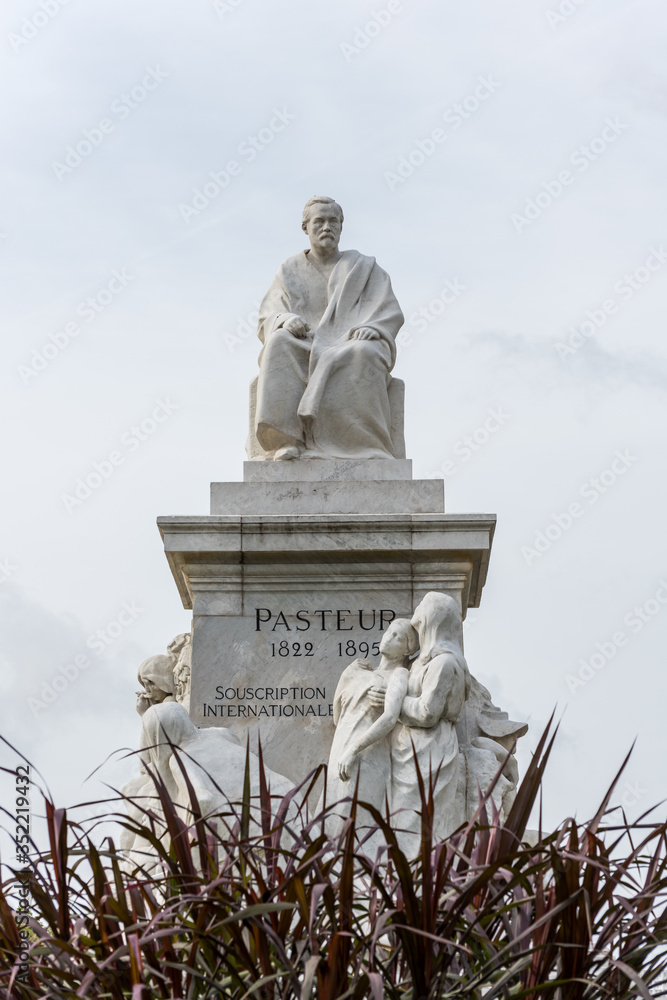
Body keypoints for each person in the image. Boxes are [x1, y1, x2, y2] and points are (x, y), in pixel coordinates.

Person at [249, 196, 405, 461]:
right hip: (304, 342)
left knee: (364, 352)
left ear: (341, 226)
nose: (326, 227)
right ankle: (286, 440)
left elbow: (388, 310)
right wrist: (285, 319)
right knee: (278, 342)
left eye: (333, 221)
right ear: (306, 227)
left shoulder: (364, 267)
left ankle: (361, 445)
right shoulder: (289, 269)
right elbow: (269, 314)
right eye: (319, 221)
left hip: (350, 341)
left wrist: (373, 327)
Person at [368, 592, 471, 855]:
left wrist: (393, 703)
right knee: (397, 820)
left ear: (433, 625)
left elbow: (427, 713)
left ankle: (414, 874)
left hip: (430, 751)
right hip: (408, 751)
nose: (416, 623)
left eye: (421, 621)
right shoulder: (423, 662)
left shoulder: (444, 663)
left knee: (413, 823)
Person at [322, 618, 418, 849]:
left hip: (366, 754)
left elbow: (390, 719)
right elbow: (338, 716)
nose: (388, 638)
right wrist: (349, 676)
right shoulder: (357, 671)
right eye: (389, 631)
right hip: (341, 747)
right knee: (332, 815)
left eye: (398, 637)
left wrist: (353, 749)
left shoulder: (399, 675)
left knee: (354, 822)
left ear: (407, 650)